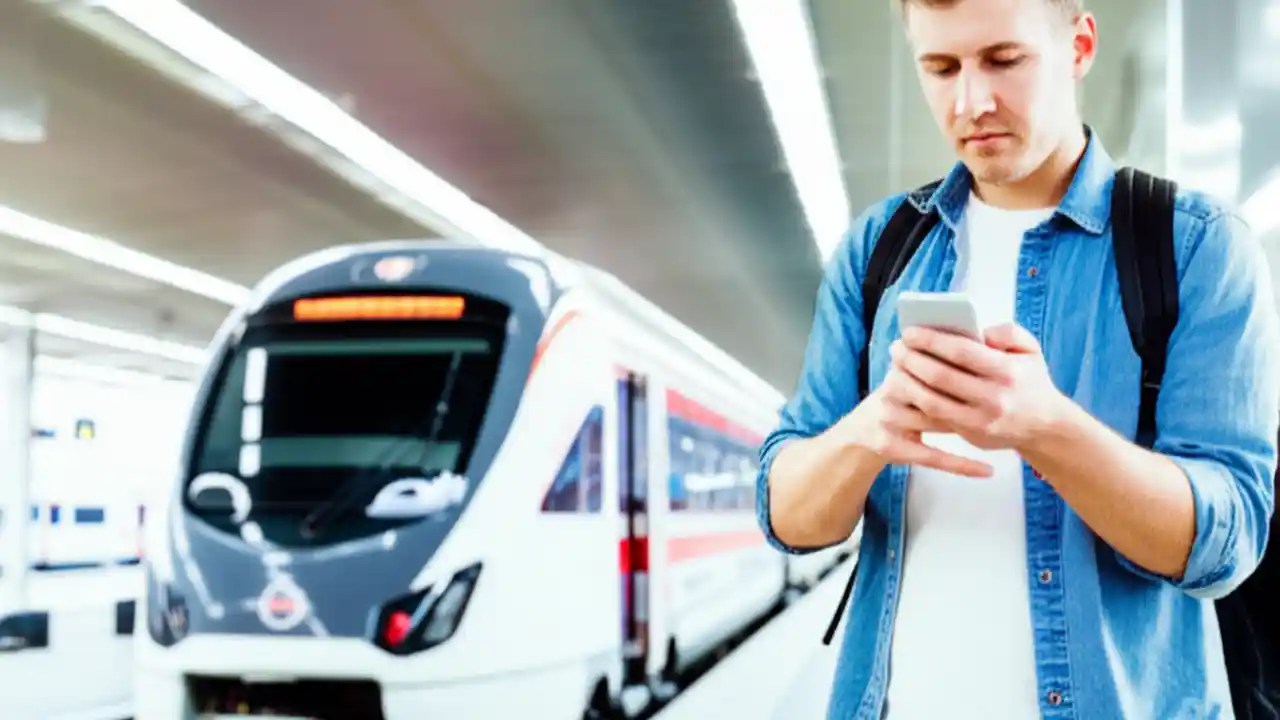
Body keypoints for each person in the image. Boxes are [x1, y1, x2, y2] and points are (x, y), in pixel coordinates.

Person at [754, 0, 1280, 718]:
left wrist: (1046, 429)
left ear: (1080, 45)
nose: (971, 101)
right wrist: (868, 431)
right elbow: (788, 515)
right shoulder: (878, 252)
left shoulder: (1195, 249)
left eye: (1004, 59)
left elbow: (1229, 540)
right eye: (940, 68)